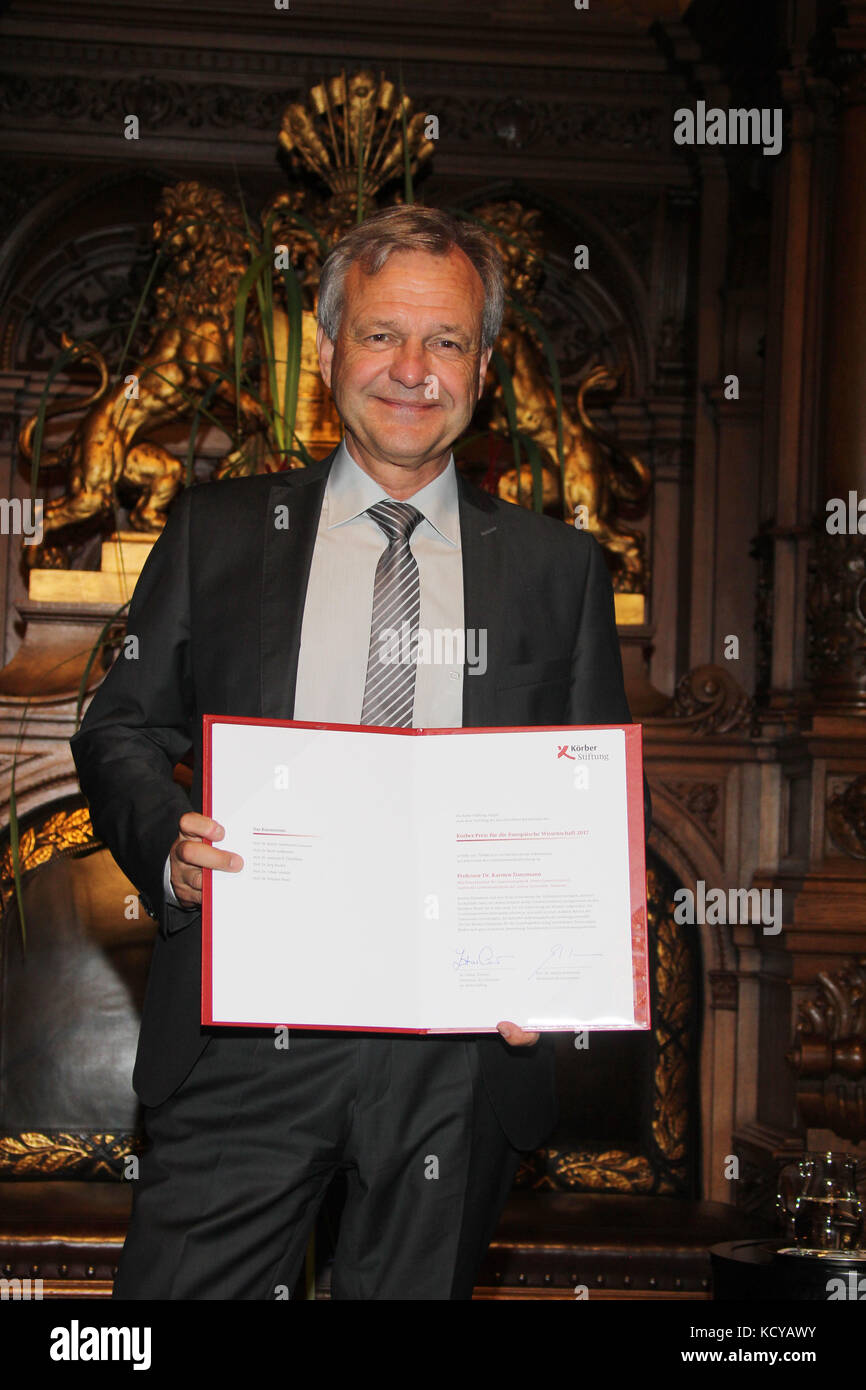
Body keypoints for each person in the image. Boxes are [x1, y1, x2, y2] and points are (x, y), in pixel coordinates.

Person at [71, 204, 648, 1300]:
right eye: (383, 335)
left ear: (481, 368)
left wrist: (554, 963)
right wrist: (166, 849)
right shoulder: (216, 532)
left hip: (461, 1052)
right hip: (245, 1027)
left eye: (445, 342)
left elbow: (589, 805)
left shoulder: (555, 570)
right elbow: (119, 726)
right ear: (328, 354)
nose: (411, 369)